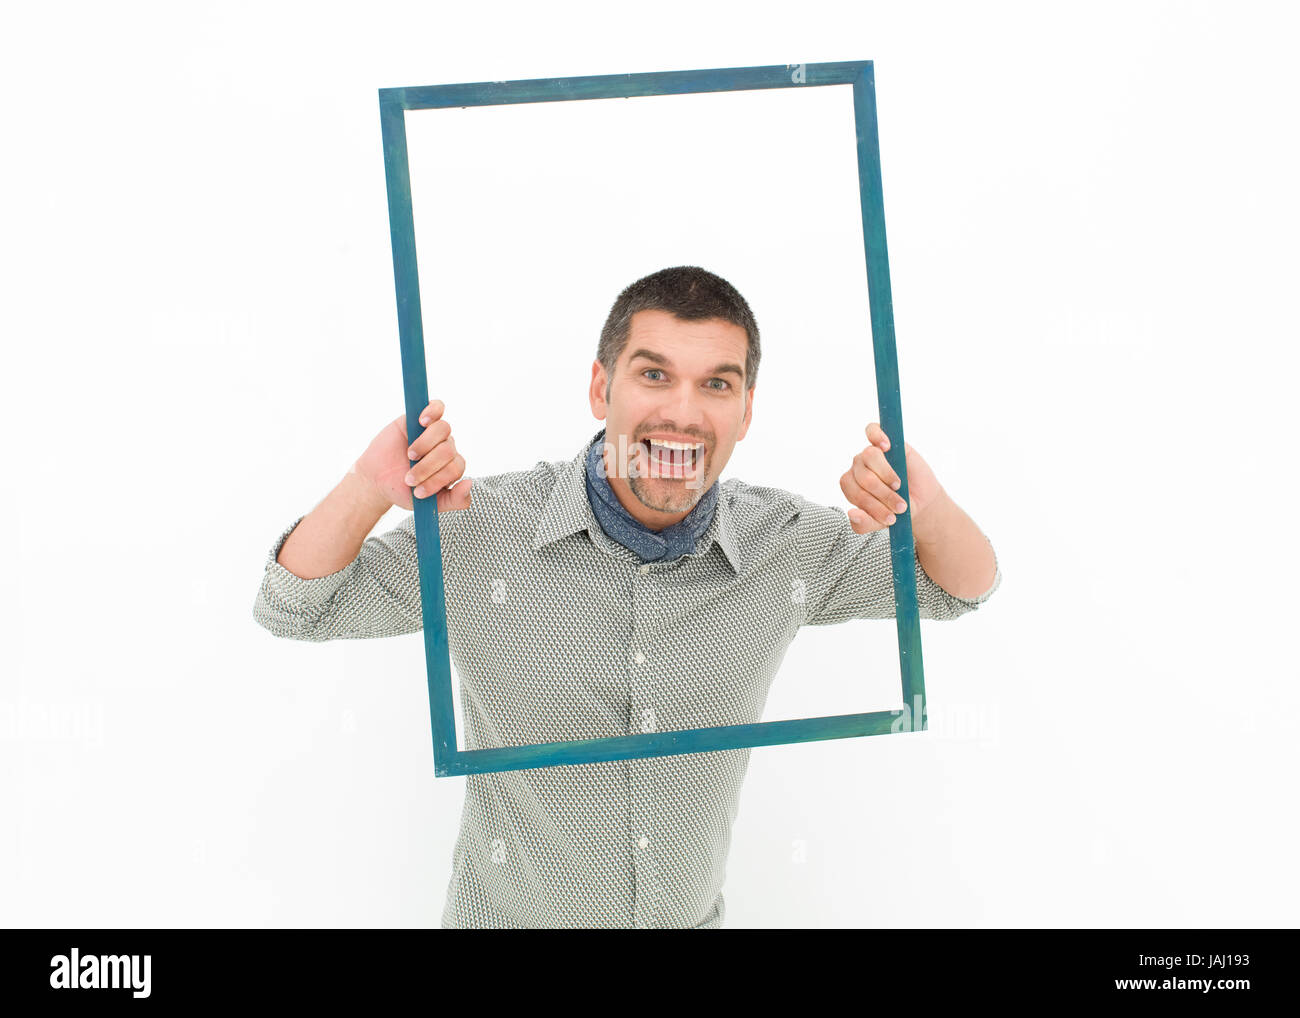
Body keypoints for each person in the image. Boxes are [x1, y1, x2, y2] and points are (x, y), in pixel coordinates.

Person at [252, 265, 1002, 928]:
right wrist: (367, 490)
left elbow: (960, 589)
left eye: (717, 383)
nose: (683, 411)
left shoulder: (786, 546)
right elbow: (292, 606)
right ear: (599, 388)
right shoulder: (480, 533)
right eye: (653, 374)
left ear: (746, 412)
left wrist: (927, 505)